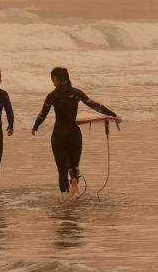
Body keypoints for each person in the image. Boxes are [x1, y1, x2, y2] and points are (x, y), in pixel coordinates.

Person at [32, 67, 120, 197]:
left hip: (58, 135)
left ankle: (65, 200)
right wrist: (112, 114)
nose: (53, 82)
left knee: (62, 170)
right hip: (74, 134)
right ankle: (74, 180)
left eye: (53, 79)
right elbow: (95, 105)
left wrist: (35, 126)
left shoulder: (52, 96)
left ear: (56, 79)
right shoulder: (77, 93)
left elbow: (42, 114)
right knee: (74, 167)